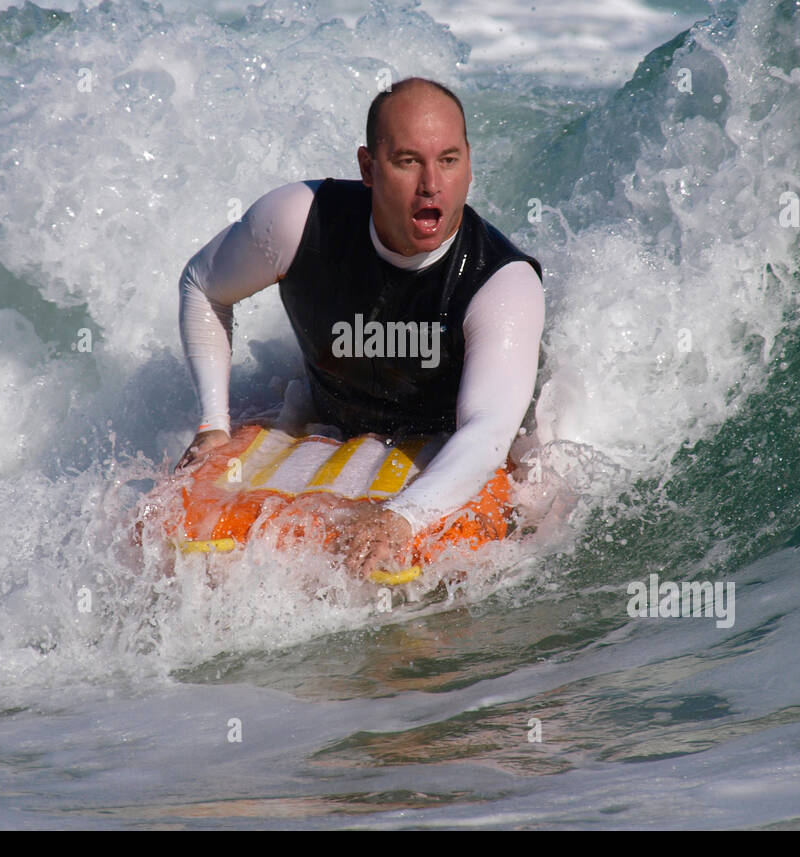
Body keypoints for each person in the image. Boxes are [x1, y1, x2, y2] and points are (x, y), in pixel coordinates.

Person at [177, 77, 544, 576]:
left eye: (449, 159)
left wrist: (401, 518)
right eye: (408, 161)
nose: (432, 184)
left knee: (542, 503)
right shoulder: (298, 222)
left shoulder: (499, 281)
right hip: (331, 423)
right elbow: (202, 285)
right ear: (368, 168)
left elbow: (487, 431)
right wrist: (213, 425)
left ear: (470, 164)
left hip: (454, 440)